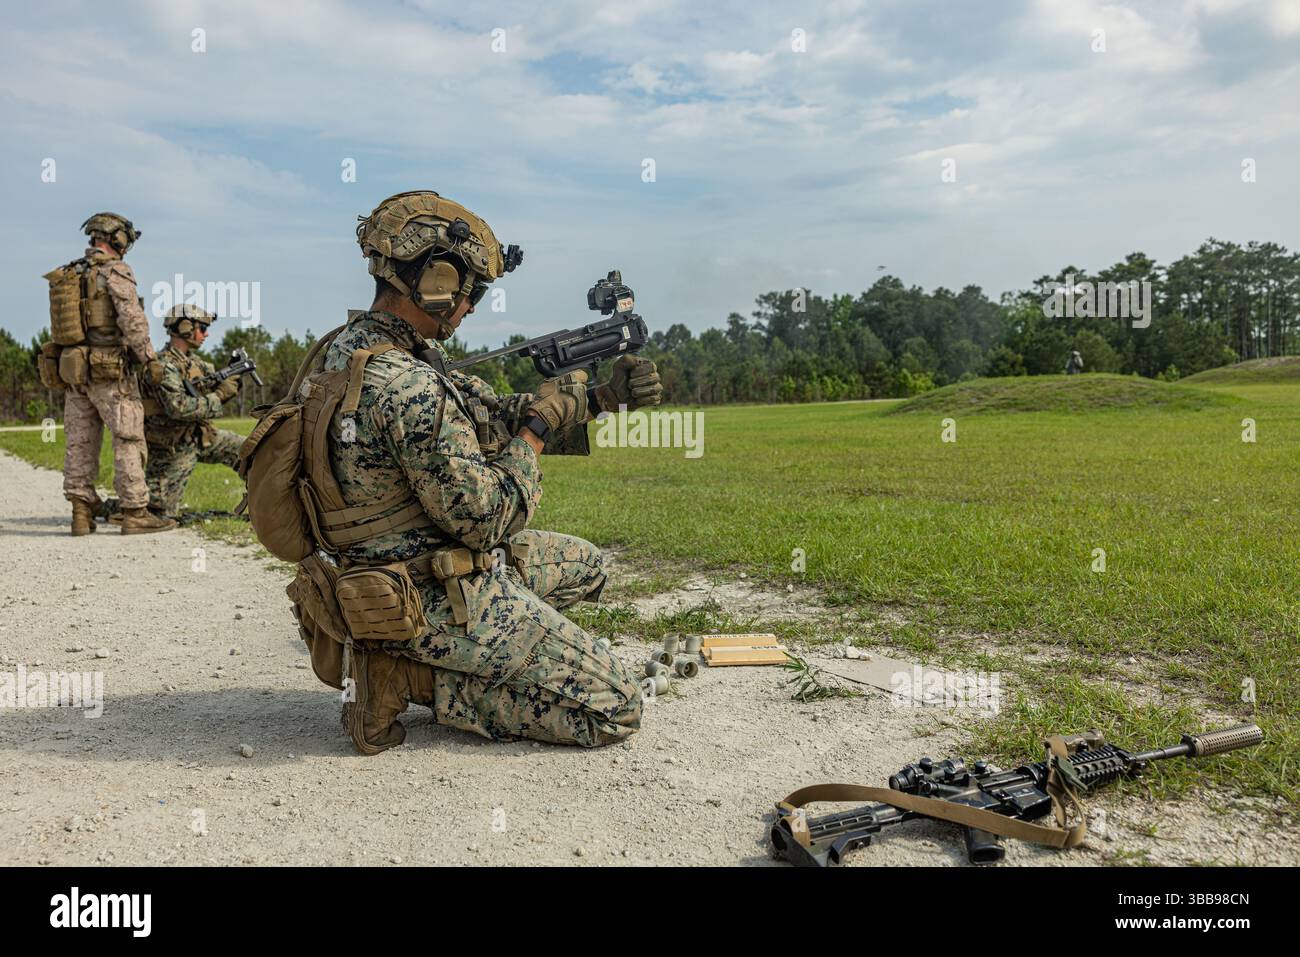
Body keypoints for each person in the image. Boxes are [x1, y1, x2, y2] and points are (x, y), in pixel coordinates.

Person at [294, 190, 662, 754]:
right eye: (473, 290)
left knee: (586, 566)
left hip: (371, 575)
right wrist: (536, 432)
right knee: (615, 706)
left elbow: (488, 415)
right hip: (427, 591)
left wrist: (600, 400)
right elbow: (489, 519)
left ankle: (455, 650)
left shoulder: (348, 354)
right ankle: (409, 676)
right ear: (437, 279)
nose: (471, 305)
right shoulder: (408, 384)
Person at [49, 213, 175, 535]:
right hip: (110, 372)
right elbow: (132, 320)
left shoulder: (70, 273)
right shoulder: (116, 271)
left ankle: (81, 510)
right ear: (118, 240)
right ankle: (135, 511)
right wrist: (149, 359)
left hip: (75, 372)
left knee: (80, 442)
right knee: (128, 438)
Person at [141, 304, 245, 519]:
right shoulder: (162, 366)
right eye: (202, 328)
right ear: (186, 328)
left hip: (200, 437)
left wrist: (232, 375)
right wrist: (220, 396)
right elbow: (178, 408)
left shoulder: (194, 363)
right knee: (160, 511)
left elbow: (213, 386)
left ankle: (264, 505)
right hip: (172, 447)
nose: (206, 334)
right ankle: (110, 507)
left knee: (250, 452)